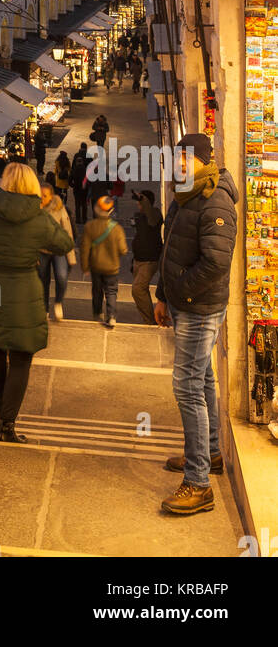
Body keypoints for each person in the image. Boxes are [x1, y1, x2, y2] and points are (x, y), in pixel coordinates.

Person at [0, 162, 74, 442]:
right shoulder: (37, 217)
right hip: (24, 290)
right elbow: (64, 244)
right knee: (21, 356)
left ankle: (1, 412)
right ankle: (7, 423)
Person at [154, 133, 238, 516]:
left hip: (200, 307)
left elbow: (216, 262)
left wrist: (181, 294)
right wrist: (162, 293)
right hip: (186, 302)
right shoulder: (186, 192)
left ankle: (198, 482)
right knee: (202, 378)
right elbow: (172, 244)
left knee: (186, 386)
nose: (181, 164)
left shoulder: (215, 198)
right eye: (178, 158)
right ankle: (211, 454)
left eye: (188, 158)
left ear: (206, 159)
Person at [80, 195, 128, 328]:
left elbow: (84, 249)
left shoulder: (90, 226)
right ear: (111, 211)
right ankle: (111, 316)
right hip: (112, 267)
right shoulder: (117, 228)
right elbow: (123, 250)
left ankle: (97, 313)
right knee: (111, 291)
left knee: (97, 290)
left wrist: (85, 267)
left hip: (96, 266)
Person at [38, 180, 76, 320]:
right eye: (40, 194)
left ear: (51, 196)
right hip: (41, 250)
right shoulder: (35, 208)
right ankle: (44, 309)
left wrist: (71, 256)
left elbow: (68, 231)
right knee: (42, 280)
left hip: (58, 250)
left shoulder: (59, 207)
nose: (42, 197)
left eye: (45, 195)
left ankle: (58, 301)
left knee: (61, 277)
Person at [131, 188, 163, 324]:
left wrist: (144, 201)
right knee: (141, 290)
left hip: (150, 261)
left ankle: (150, 321)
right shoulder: (139, 215)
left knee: (137, 289)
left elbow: (151, 221)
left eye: (141, 202)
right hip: (139, 260)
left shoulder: (155, 214)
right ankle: (148, 318)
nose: (138, 205)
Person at [70, 142, 90, 225]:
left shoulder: (74, 170)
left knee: (77, 204)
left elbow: (69, 179)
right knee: (84, 204)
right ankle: (84, 219)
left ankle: (78, 219)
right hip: (84, 189)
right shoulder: (86, 170)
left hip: (76, 189)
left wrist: (73, 185)